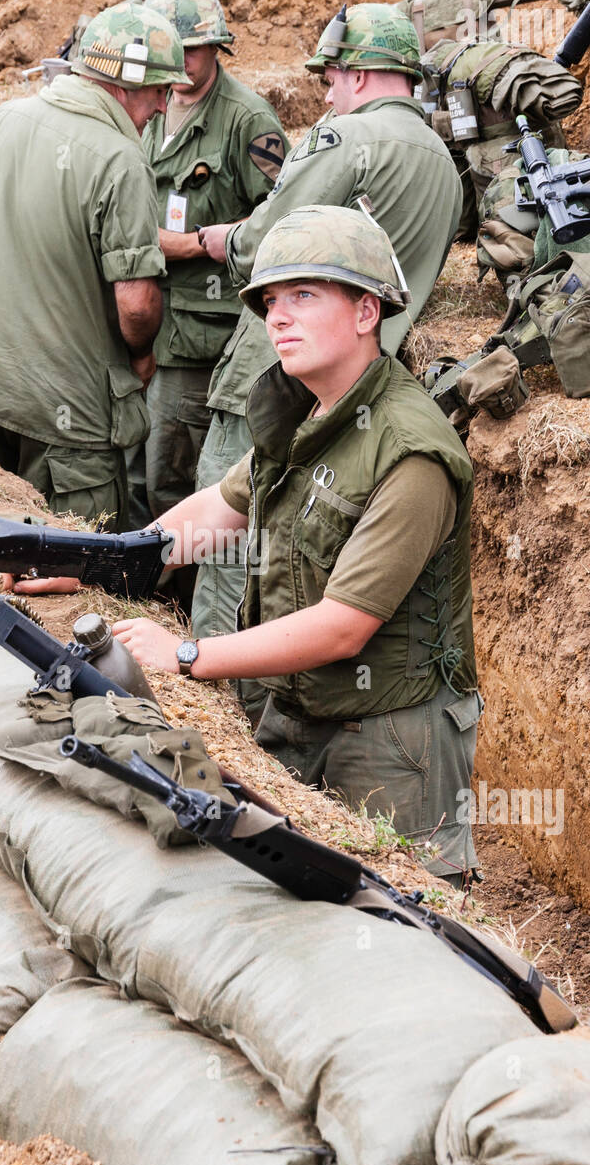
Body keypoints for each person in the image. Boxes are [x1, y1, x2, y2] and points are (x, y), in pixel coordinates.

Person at [110, 205, 482, 885]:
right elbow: (217, 511)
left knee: (409, 930)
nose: (278, 317)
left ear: (367, 312)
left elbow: (344, 627)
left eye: (304, 296)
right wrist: (102, 563)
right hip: (295, 716)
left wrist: (187, 655)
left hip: (392, 748)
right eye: (271, 301)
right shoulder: (300, 407)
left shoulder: (412, 453)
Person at [190, 2, 462, 648]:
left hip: (275, 370)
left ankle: (216, 696)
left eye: (331, 79)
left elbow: (263, 244)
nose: (329, 94)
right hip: (355, 381)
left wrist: (216, 242)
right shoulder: (446, 168)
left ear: (358, 75)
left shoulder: (346, 139)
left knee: (231, 547)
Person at [0, 1, 189, 530]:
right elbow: (136, 302)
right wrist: (144, 355)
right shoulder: (120, 160)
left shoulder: (2, 119)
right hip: (66, 416)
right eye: (159, 89)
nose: (162, 105)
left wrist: (3, 260)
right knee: (70, 575)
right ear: (123, 85)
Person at [138, 0, 287, 520]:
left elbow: (283, 219)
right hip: (140, 320)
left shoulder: (247, 120)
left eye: (193, 49)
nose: (181, 63)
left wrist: (197, 244)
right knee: (137, 465)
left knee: (173, 478)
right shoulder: (145, 108)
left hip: (202, 338)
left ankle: (177, 597)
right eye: (170, 49)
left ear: (215, 48)